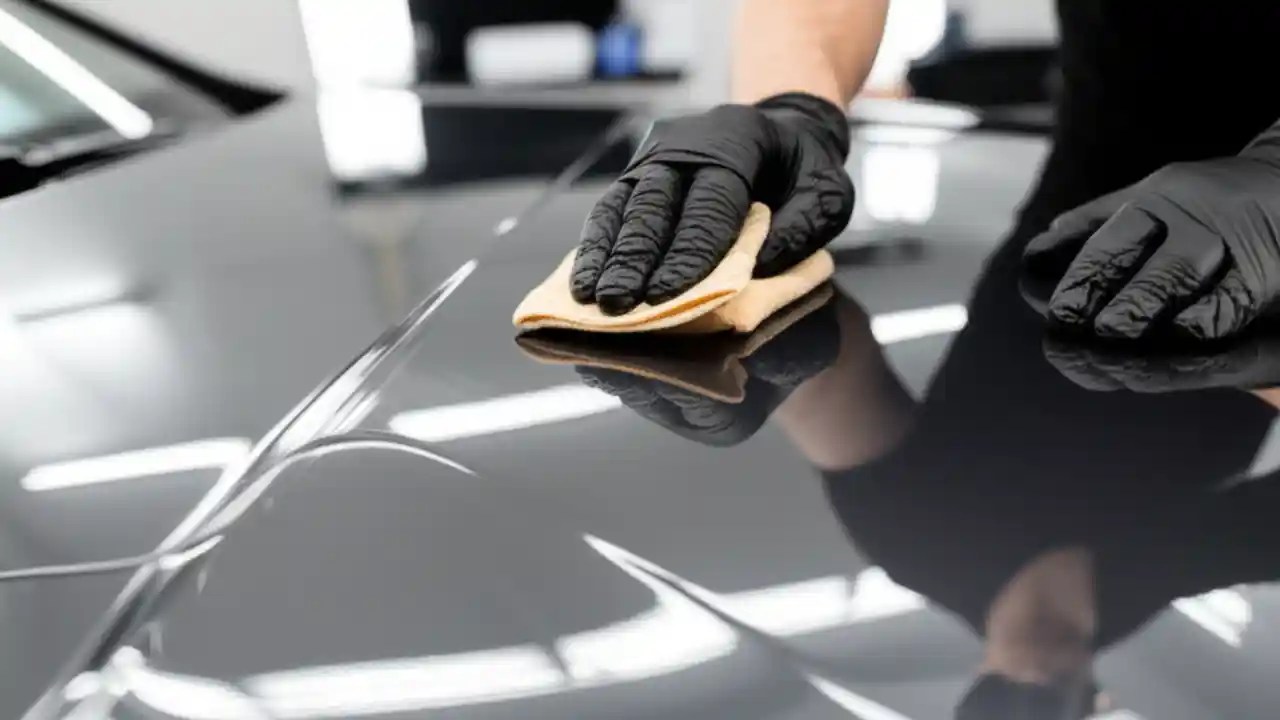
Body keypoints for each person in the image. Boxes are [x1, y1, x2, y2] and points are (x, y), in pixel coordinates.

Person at [569, 1, 1280, 341]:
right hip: (1082, 207)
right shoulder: (923, 534)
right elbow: (807, 395)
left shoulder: (1203, 555)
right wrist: (791, 107)